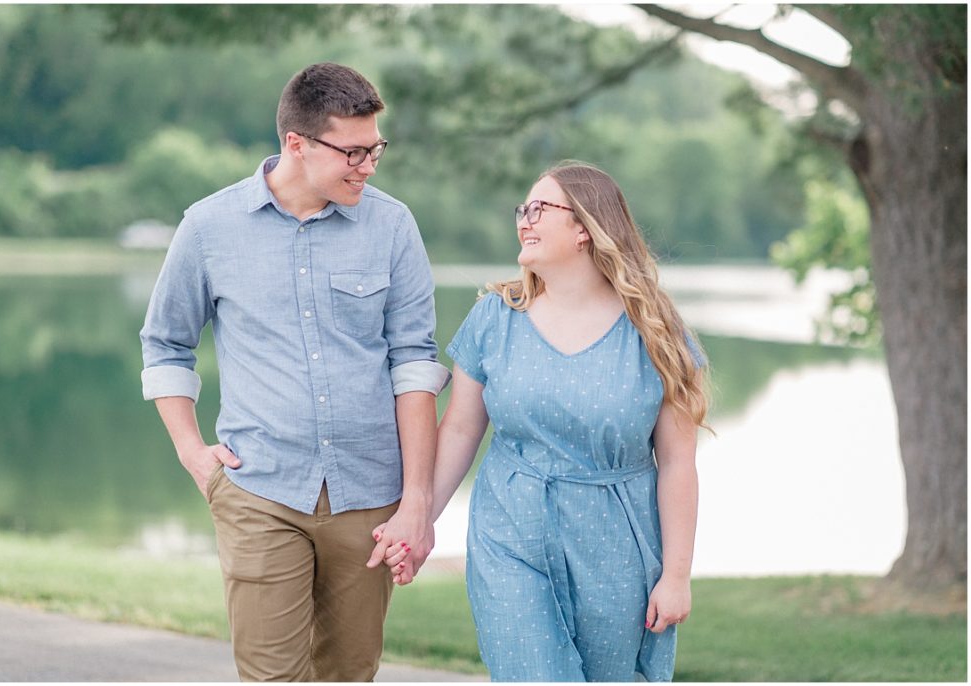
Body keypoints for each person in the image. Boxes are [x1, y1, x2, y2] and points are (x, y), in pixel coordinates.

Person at [139, 62, 450, 682]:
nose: (367, 166)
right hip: (260, 491)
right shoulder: (208, 227)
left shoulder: (392, 226)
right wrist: (193, 454)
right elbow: (165, 345)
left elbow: (414, 364)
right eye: (352, 153)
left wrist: (417, 502)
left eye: (375, 150)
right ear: (297, 143)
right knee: (270, 676)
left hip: (370, 497)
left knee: (348, 674)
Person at [380, 160, 709, 681]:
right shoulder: (495, 318)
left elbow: (676, 464)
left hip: (617, 546)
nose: (524, 220)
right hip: (510, 533)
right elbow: (461, 430)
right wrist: (419, 521)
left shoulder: (656, 332)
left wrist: (677, 575)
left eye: (540, 209)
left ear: (585, 227)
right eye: (522, 209)